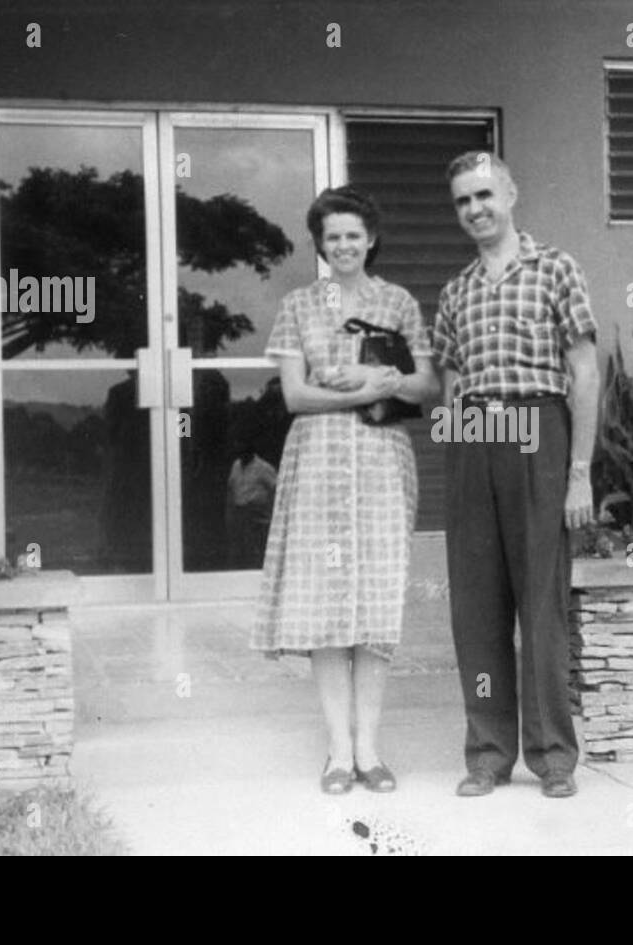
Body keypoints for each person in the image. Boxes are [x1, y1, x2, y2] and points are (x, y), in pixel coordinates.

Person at [251, 185, 439, 795]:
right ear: (320, 244)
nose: (344, 245)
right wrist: (362, 391)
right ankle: (337, 753)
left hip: (383, 463)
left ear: (371, 239)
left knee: (377, 602)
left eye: (354, 234)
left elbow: (427, 387)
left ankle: (369, 749)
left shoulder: (399, 302)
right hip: (318, 464)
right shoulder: (298, 305)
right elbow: (295, 396)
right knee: (326, 604)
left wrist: (381, 376)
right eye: (332, 236)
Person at [432, 152, 599, 799]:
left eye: (484, 195)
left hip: (539, 432)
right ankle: (488, 752)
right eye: (462, 201)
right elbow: (450, 383)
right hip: (476, 435)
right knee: (477, 606)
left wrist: (579, 471)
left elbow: (584, 370)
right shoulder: (456, 290)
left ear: (510, 194)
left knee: (542, 604)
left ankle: (554, 755)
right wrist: (462, 459)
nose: (475, 209)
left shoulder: (556, 268)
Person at [225, 438, 277, 569]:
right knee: (238, 553)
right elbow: (231, 489)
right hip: (239, 515)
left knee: (255, 555)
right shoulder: (236, 465)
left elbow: (275, 489)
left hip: (256, 518)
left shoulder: (264, 468)